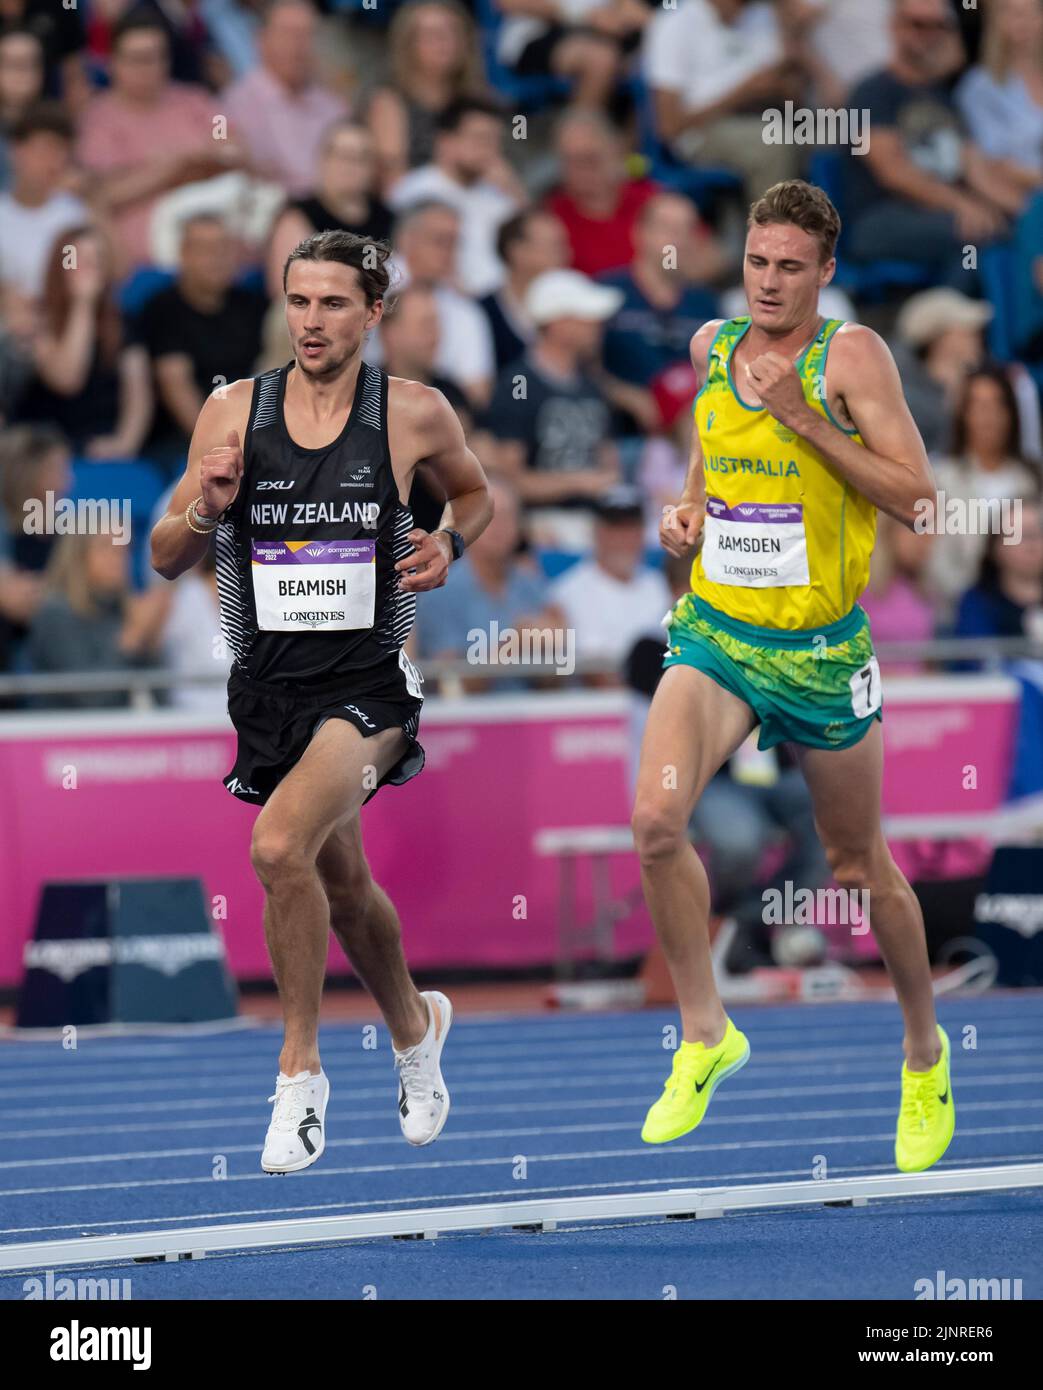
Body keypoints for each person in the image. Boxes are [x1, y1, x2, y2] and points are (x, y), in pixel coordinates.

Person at [149, 229, 492, 1173]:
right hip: (267, 692)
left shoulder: (412, 412)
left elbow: (475, 494)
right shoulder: (230, 413)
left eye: (333, 303)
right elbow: (164, 555)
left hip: (369, 687)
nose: (311, 321)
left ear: (372, 313)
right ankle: (416, 1030)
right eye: (298, 301)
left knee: (275, 848)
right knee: (341, 887)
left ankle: (300, 1076)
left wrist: (451, 543)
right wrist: (205, 506)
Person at [632, 178, 955, 1174]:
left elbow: (917, 501)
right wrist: (684, 522)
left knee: (858, 867)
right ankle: (703, 1033)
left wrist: (810, 421)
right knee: (655, 824)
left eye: (788, 267)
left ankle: (921, 1051)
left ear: (823, 272)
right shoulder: (710, 350)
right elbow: (711, 465)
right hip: (718, 636)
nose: (767, 282)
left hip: (819, 657)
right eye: (755, 262)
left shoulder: (847, 358)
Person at [844, 0, 1026, 290]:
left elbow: (976, 169)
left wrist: (1029, 212)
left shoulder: (945, 97)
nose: (927, 34)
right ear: (894, 27)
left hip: (942, 215)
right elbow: (893, 171)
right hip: (881, 217)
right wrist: (960, 204)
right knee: (976, 237)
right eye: (917, 24)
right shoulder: (872, 92)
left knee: (1014, 235)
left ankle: (950, 321)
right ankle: (944, 327)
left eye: (939, 26)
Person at [76, 13, 248, 278]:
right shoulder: (99, 118)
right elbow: (102, 193)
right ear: (113, 62)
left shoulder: (196, 101)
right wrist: (169, 170)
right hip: (149, 262)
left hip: (223, 249)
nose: (148, 67)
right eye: (137, 58)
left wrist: (196, 159)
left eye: (156, 56)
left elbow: (234, 150)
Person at [482, 267, 622, 549]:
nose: (598, 324)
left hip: (596, 524)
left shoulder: (592, 385)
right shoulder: (518, 384)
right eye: (587, 317)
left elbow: (608, 460)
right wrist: (580, 483)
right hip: (542, 529)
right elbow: (511, 479)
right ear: (559, 323)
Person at [137, 212, 267, 472]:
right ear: (184, 254)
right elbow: (176, 385)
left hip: (251, 432)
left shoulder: (254, 305)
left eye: (224, 248)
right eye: (206, 249)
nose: (217, 258)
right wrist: (222, 446)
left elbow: (273, 370)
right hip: (181, 441)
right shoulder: (162, 309)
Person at [12, 223, 153, 458]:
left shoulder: (122, 323)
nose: (90, 269)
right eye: (80, 261)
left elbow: (138, 393)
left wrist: (125, 443)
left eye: (97, 259)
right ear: (60, 267)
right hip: (42, 448)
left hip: (101, 440)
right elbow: (68, 378)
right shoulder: (36, 320)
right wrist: (82, 304)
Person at [644, 0, 804, 205]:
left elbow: (792, 96)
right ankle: (771, 234)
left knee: (834, 137)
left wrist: (787, 77)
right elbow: (669, 127)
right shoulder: (675, 23)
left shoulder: (760, 15)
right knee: (775, 141)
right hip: (699, 133)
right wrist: (742, 93)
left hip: (766, 116)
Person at [926, 366, 1041, 620]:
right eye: (977, 405)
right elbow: (934, 558)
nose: (988, 416)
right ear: (962, 413)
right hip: (958, 615)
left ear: (1011, 412)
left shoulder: (1034, 478)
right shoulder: (940, 478)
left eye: (997, 404)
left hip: (1028, 614)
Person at [386, 96, 523, 298]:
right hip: (436, 297)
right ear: (446, 141)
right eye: (480, 138)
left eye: (494, 141)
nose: (489, 149)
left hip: (500, 303)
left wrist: (512, 187)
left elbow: (531, 246)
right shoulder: (413, 189)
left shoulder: (500, 197)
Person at [220, 0, 347, 198]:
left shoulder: (334, 106)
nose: (298, 46)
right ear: (261, 40)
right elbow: (228, 165)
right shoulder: (232, 106)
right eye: (288, 34)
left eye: (307, 35)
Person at [26, 531, 168, 708]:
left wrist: (152, 641)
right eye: (106, 546)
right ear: (77, 555)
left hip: (121, 729)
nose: (117, 559)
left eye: (123, 550)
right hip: (62, 731)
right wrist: (132, 637)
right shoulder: (55, 613)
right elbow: (92, 698)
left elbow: (162, 697)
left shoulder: (125, 610)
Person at [550, 485, 672, 681]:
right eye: (615, 528)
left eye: (631, 528)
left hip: (655, 698)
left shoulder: (658, 585)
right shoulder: (569, 590)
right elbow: (591, 670)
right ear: (597, 532)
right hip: (597, 706)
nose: (623, 539)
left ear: (642, 533)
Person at [365, 0, 487, 193]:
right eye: (433, 35)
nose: (446, 42)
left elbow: (496, 171)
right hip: (421, 208)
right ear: (408, 45)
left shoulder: (477, 100)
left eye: (453, 32)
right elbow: (393, 185)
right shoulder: (389, 101)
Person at [264, 120, 393, 300]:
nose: (351, 166)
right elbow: (286, 295)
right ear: (323, 160)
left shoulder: (387, 218)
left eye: (361, 157)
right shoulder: (298, 219)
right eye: (343, 156)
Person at [543, 109, 659, 278]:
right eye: (571, 161)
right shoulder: (551, 216)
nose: (582, 170)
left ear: (615, 152)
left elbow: (701, 263)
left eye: (591, 159)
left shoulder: (652, 200)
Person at [0, 103, 88, 300]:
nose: (52, 162)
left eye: (60, 152)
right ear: (16, 151)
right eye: (44, 149)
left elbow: (71, 271)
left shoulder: (71, 216)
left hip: (56, 319)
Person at [955, 0, 1043, 188]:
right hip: (1023, 199)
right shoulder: (979, 87)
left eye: (1031, 13)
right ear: (995, 22)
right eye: (1013, 13)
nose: (1023, 22)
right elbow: (995, 165)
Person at [479, 208, 569, 372]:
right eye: (554, 247)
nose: (566, 255)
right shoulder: (482, 311)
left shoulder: (573, 310)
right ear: (517, 252)